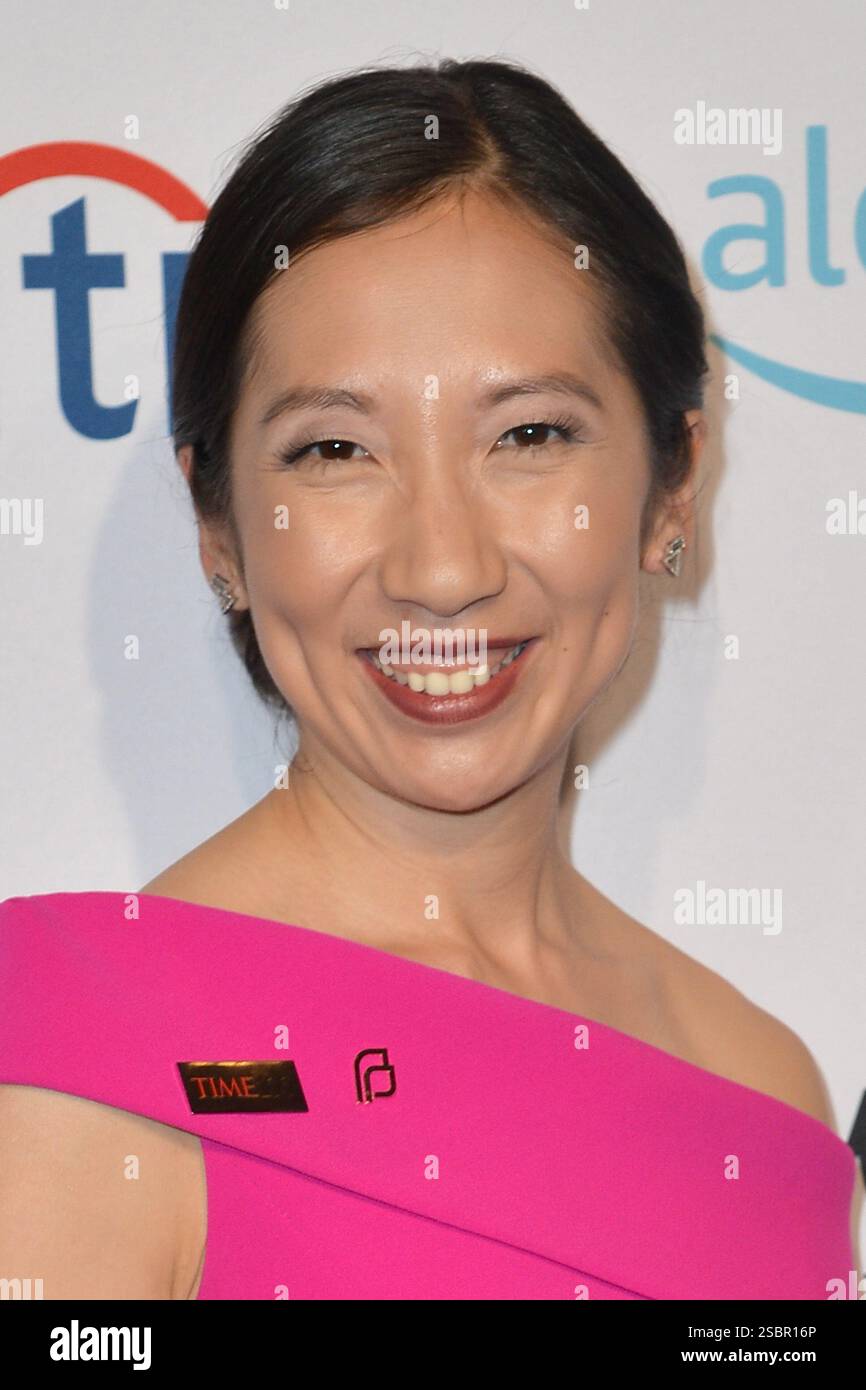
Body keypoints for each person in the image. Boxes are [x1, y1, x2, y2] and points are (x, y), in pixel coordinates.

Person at [0, 57, 859, 1301]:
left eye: (529, 435)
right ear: (220, 526)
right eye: (335, 450)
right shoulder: (76, 1062)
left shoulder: (758, 1089)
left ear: (672, 482)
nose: (442, 568)